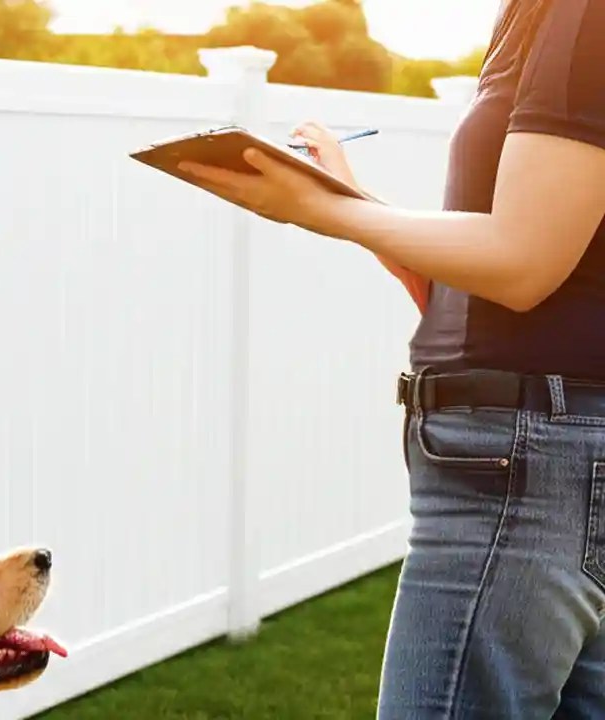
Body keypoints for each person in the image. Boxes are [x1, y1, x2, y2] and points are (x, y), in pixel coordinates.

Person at [180, 0, 605, 717]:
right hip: (546, 453)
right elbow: (481, 291)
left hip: (523, 466)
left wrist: (325, 212)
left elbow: (524, 263)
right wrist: (347, 200)